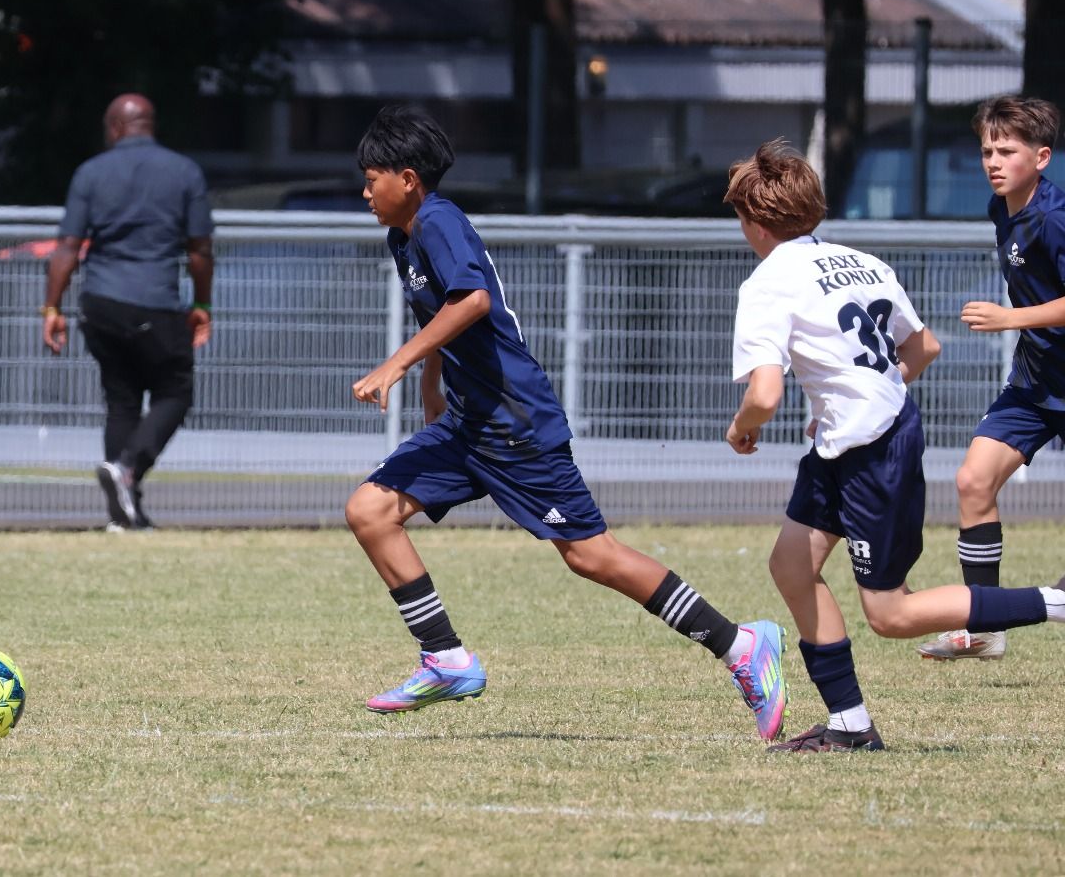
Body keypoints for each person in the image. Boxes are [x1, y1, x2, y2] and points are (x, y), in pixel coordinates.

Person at [344, 104, 789, 742]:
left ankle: (741, 644)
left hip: (515, 422)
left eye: (372, 179)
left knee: (590, 556)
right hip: (470, 423)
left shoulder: (438, 221)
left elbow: (473, 301)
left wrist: (394, 366)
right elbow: (442, 316)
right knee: (369, 510)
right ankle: (445, 658)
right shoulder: (403, 234)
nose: (365, 192)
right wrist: (431, 386)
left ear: (408, 179)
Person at [723, 140, 1065, 752]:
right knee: (791, 565)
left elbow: (766, 394)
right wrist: (861, 391)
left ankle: (1057, 602)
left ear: (753, 222)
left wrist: (744, 427)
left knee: (891, 614)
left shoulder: (766, 283)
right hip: (856, 436)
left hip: (872, 449)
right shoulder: (861, 262)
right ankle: (849, 725)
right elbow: (923, 349)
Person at [921, 95, 1065, 661]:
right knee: (973, 482)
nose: (994, 161)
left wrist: (1011, 318)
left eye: (1007, 150)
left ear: (1043, 157)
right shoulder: (1001, 207)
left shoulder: (1055, 219)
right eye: (987, 150)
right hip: (1035, 382)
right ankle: (984, 625)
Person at [43, 93, 214, 531]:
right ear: (148, 124)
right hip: (155, 301)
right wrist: (201, 304)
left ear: (116, 126)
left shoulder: (91, 172)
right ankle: (129, 469)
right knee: (175, 393)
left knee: (121, 403)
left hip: (100, 302)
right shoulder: (185, 172)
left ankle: (125, 512)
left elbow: (66, 247)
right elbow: (199, 250)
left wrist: (52, 308)